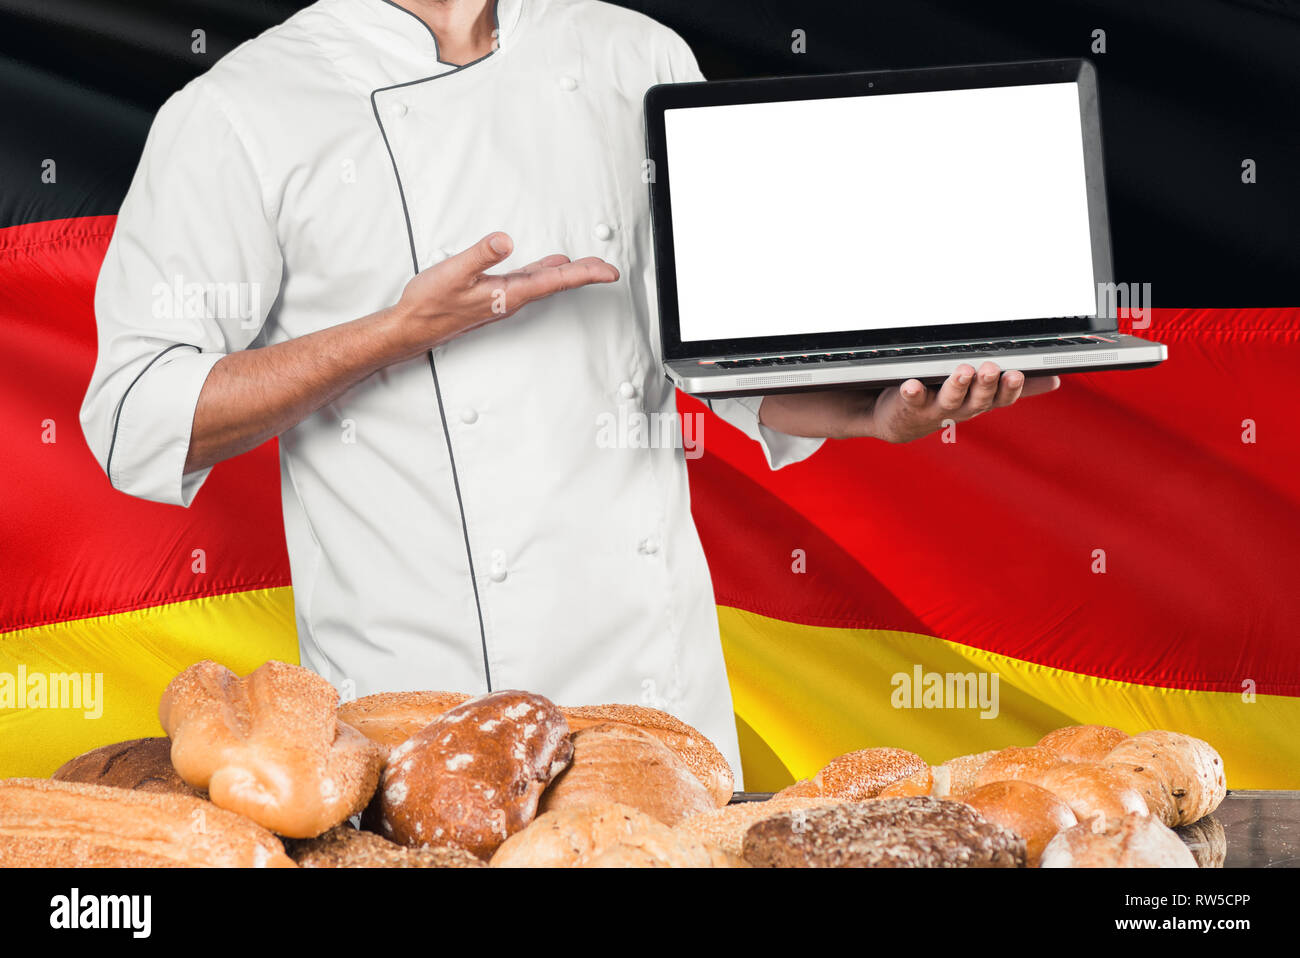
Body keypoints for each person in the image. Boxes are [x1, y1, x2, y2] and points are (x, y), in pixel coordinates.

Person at [80, 0, 1057, 781]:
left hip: (659, 709)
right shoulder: (242, 110)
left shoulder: (634, 54)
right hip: (419, 729)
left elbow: (707, 357)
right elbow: (135, 416)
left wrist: (876, 412)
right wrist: (395, 333)